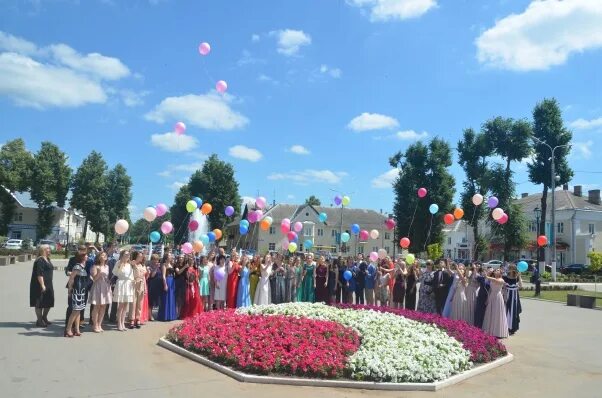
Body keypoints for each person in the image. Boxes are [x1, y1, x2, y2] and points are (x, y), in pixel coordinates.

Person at [65, 252, 89, 337]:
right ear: (81, 257)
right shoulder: (77, 266)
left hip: (82, 291)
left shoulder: (83, 266)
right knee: (75, 311)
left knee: (79, 311)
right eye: (86, 255)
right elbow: (71, 278)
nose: (87, 256)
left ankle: (77, 329)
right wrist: (70, 290)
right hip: (77, 291)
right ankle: (68, 329)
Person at [30, 244, 54, 327]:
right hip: (39, 284)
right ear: (43, 250)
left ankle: (44, 317)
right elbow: (39, 274)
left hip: (48, 283)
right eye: (48, 248)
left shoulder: (47, 259)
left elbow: (49, 269)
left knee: (49, 301)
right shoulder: (39, 260)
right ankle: (39, 321)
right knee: (39, 303)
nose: (49, 249)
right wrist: (42, 285)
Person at [482, 268, 509, 339]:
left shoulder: (501, 280)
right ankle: (490, 331)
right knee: (490, 313)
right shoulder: (492, 278)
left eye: (498, 270)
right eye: (496, 270)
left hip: (498, 297)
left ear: (500, 273)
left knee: (497, 313)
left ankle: (497, 332)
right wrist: (487, 299)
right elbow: (490, 289)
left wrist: (487, 277)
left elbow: (496, 281)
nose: (496, 271)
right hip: (492, 296)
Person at [89, 252, 112, 333]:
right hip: (98, 287)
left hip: (105, 287)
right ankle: (95, 325)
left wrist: (109, 281)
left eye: (105, 255)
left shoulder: (107, 266)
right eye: (102, 255)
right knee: (97, 307)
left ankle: (99, 324)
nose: (104, 256)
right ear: (99, 257)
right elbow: (94, 279)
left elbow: (107, 277)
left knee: (103, 307)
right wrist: (99, 273)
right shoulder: (95, 266)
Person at [113, 250, 134, 332]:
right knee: (121, 305)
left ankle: (123, 322)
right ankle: (119, 324)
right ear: (122, 255)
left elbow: (131, 275)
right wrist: (121, 264)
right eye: (126, 254)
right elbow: (115, 273)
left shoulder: (129, 265)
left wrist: (133, 281)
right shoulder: (118, 263)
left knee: (125, 306)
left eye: (129, 254)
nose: (128, 256)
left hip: (128, 285)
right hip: (121, 284)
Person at [128, 251, 148, 329]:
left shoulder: (143, 265)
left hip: (142, 284)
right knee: (133, 303)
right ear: (136, 256)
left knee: (140, 303)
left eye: (141, 256)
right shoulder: (132, 264)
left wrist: (145, 288)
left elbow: (144, 277)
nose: (141, 257)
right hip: (134, 284)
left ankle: (138, 318)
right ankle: (132, 319)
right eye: (139, 256)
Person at [503, 264, 523, 335]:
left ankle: (512, 328)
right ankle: (505, 327)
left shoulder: (517, 278)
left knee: (513, 312)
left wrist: (519, 276)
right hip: (507, 296)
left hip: (514, 297)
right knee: (506, 311)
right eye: (510, 268)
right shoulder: (505, 277)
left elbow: (521, 286)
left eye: (512, 268)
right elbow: (502, 286)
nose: (510, 269)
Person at [157, 252, 177, 321]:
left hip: (172, 281)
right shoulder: (164, 265)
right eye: (170, 255)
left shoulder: (171, 264)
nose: (171, 256)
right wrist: (165, 284)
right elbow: (163, 276)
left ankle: (171, 315)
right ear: (166, 257)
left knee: (171, 298)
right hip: (167, 280)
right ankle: (165, 316)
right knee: (166, 298)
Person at [147, 254, 163, 321]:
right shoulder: (150, 267)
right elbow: (152, 276)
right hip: (152, 285)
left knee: (155, 301)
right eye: (155, 259)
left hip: (158, 285)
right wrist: (156, 268)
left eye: (157, 259)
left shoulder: (158, 267)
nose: (156, 261)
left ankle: (151, 314)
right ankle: (150, 316)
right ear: (152, 260)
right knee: (151, 301)